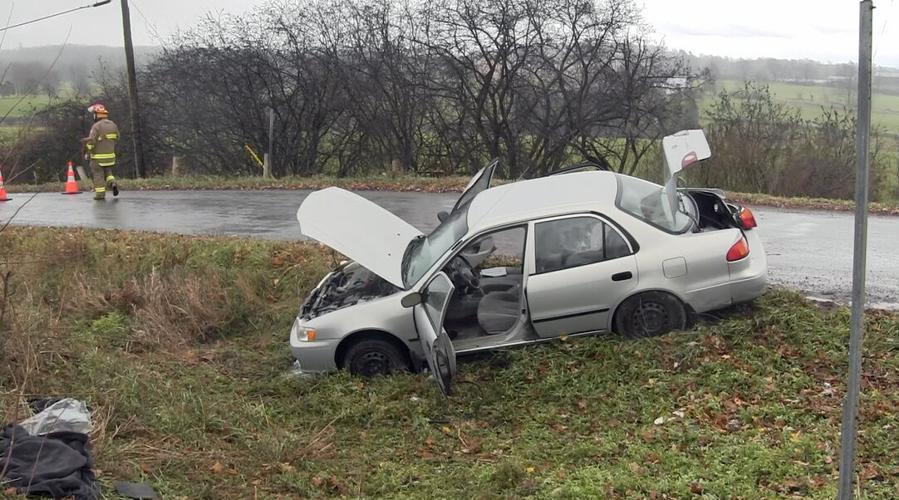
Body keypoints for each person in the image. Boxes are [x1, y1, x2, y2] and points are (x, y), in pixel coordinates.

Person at [81, 103, 119, 200]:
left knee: (98, 174)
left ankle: (100, 195)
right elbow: (117, 137)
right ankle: (112, 183)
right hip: (110, 157)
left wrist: (87, 152)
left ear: (96, 114)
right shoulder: (113, 124)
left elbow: (91, 142)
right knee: (108, 171)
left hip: (98, 158)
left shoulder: (96, 126)